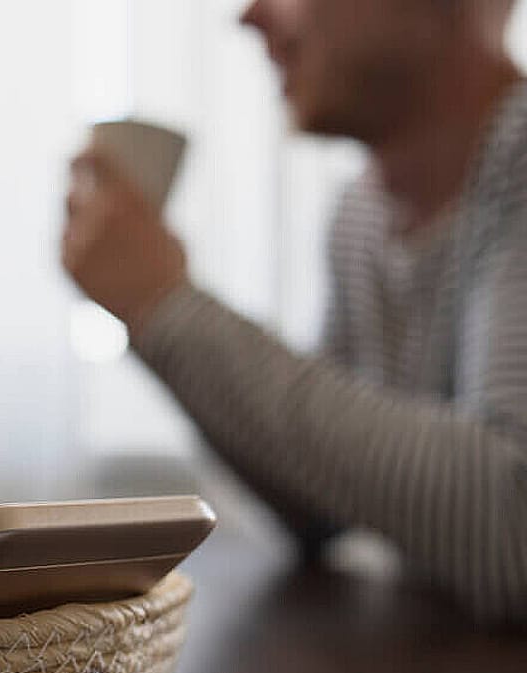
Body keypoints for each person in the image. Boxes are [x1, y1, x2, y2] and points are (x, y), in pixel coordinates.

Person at [63, 0, 527, 621]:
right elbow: (323, 506)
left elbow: (513, 524)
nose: (250, 15)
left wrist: (167, 305)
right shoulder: (360, 218)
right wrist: (150, 316)